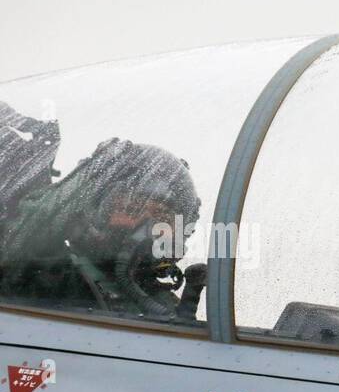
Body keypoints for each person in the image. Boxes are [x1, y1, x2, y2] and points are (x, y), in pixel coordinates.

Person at [0, 137, 204, 322]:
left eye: (161, 217)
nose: (145, 226)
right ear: (96, 209)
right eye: (131, 208)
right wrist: (95, 172)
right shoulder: (49, 271)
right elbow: (25, 233)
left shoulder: (163, 303)